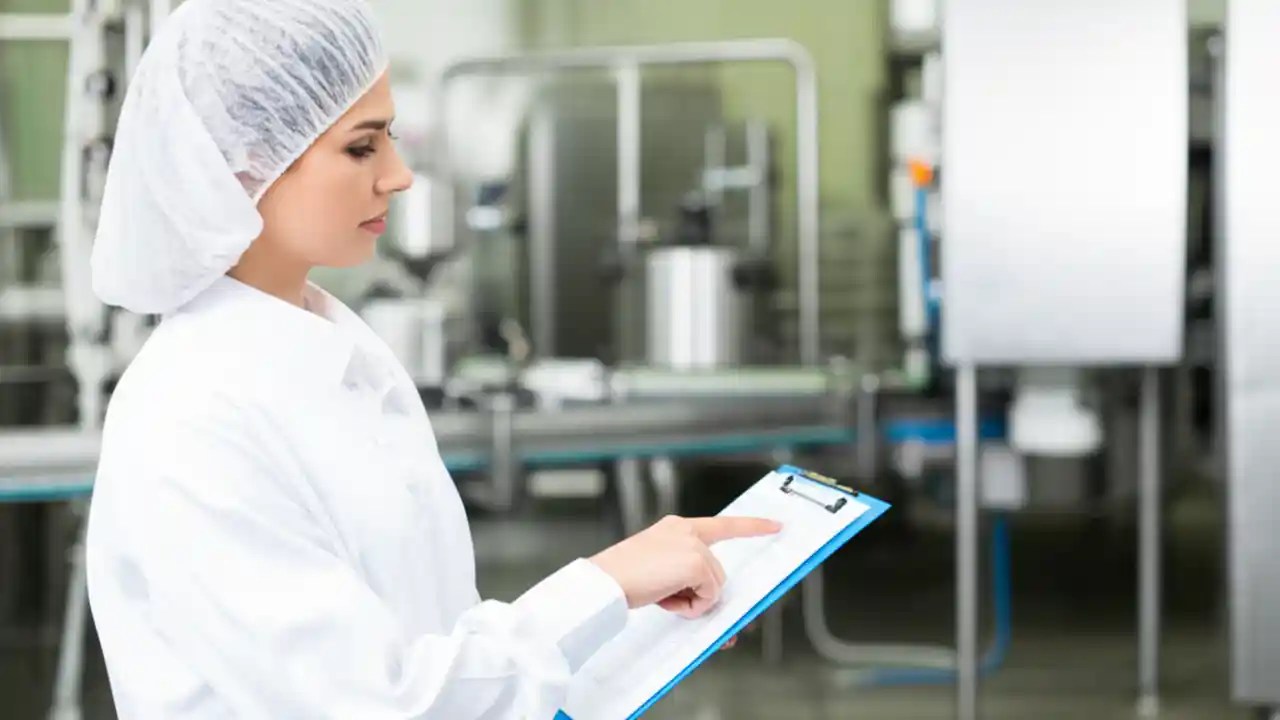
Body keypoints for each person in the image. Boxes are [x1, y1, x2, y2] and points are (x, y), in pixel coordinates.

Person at [84, 1, 780, 717]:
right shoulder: (191, 418)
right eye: (362, 147)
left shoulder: (346, 358)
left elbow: (439, 647)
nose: (400, 175)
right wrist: (604, 585)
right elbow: (382, 704)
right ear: (244, 167)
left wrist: (634, 614)